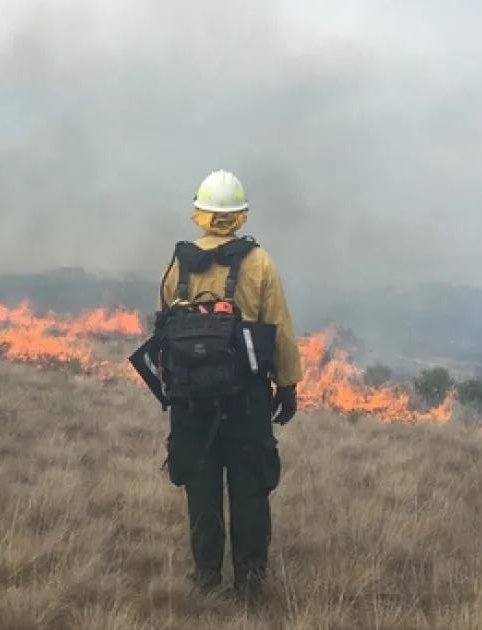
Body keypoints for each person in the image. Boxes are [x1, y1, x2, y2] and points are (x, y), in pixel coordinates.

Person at [153, 169, 303, 599]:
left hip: (191, 403)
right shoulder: (258, 263)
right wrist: (288, 386)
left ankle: (206, 581)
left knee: (201, 492)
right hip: (247, 401)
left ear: (199, 213)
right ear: (241, 215)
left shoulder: (178, 264)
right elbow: (280, 329)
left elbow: (163, 327)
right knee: (250, 489)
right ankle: (251, 583)